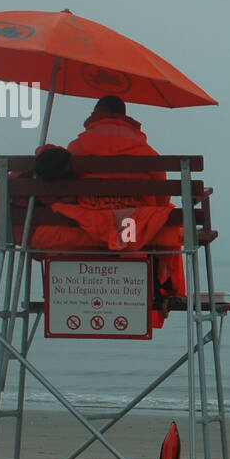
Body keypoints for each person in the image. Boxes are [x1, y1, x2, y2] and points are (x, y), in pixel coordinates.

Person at [57, 96, 187, 326]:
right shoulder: (145, 152)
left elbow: (67, 192)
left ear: (96, 114)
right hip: (133, 227)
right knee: (167, 217)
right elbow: (160, 200)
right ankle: (167, 289)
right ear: (125, 117)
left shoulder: (76, 148)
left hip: (91, 220)